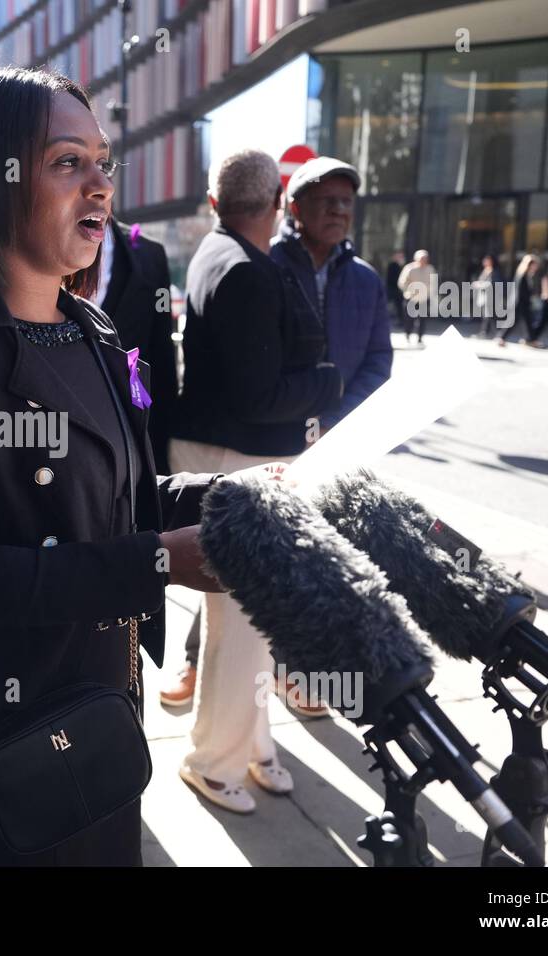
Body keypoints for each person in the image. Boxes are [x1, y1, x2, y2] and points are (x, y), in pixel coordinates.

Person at [0, 67, 223, 866]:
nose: (101, 184)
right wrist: (161, 563)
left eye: (103, 162)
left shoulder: (92, 327)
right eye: (68, 162)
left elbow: (118, 496)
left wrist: (230, 501)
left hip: (99, 707)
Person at [166, 149, 344, 812]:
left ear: (215, 204)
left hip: (217, 453)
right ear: (274, 203)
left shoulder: (214, 255)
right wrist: (328, 382)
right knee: (245, 621)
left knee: (242, 622)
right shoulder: (246, 269)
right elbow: (259, 396)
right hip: (236, 457)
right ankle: (214, 762)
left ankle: (252, 743)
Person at [271, 157, 392, 436]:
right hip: (274, 440)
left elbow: (378, 360)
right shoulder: (264, 265)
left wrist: (333, 422)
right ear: (297, 208)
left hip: (342, 434)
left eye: (346, 201)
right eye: (326, 200)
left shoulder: (368, 280)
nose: (338, 210)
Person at [91, 218, 178, 474]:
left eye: (105, 173)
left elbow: (162, 365)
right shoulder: (28, 245)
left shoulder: (150, 255)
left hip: (130, 446)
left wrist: (158, 466)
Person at [397, 249, 434, 346]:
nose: (424, 260)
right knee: (409, 318)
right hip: (411, 297)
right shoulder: (409, 268)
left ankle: (420, 338)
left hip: (423, 298)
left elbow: (433, 283)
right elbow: (402, 282)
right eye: (422, 258)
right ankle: (407, 335)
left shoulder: (430, 269)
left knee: (422, 319)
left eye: (426, 258)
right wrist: (410, 290)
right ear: (416, 259)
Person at [512, 254, 540, 346]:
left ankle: (529, 339)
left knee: (527, 321)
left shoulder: (529, 275)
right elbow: (521, 290)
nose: (536, 267)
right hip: (521, 301)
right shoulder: (523, 275)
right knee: (525, 321)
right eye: (534, 264)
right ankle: (531, 340)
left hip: (524, 301)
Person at [384, 249, 405, 327]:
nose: (401, 258)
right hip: (392, 289)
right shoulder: (392, 265)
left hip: (398, 290)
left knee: (399, 306)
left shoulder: (401, 265)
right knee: (390, 305)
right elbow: (392, 278)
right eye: (399, 256)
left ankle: (399, 321)